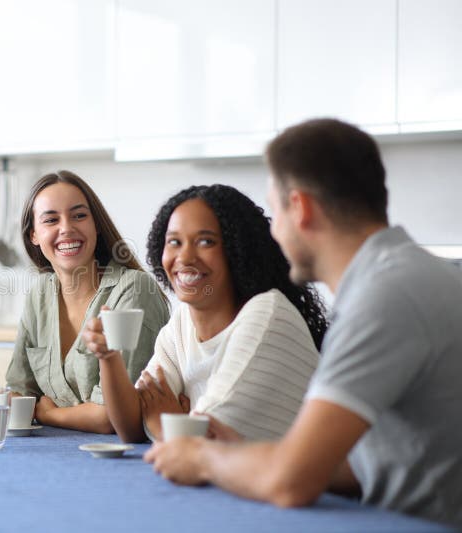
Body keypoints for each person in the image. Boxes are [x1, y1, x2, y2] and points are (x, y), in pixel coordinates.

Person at [144, 118, 462, 529]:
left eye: (274, 211)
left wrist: (201, 457)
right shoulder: (402, 275)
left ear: (301, 208)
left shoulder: (385, 297)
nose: (273, 230)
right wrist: (242, 452)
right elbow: (371, 464)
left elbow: (290, 483)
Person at [84, 184, 327, 443]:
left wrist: (162, 424)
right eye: (174, 242)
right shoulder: (183, 321)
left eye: (205, 242)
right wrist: (109, 357)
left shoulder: (265, 317)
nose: (185, 257)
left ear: (237, 250)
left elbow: (201, 445)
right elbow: (132, 428)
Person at [5, 171, 170, 433]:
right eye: (51, 220)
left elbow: (113, 416)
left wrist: (50, 415)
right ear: (33, 235)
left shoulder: (134, 288)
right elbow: (19, 392)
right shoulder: (40, 294)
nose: (67, 228)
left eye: (79, 215)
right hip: (54, 456)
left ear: (96, 224)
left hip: (123, 458)